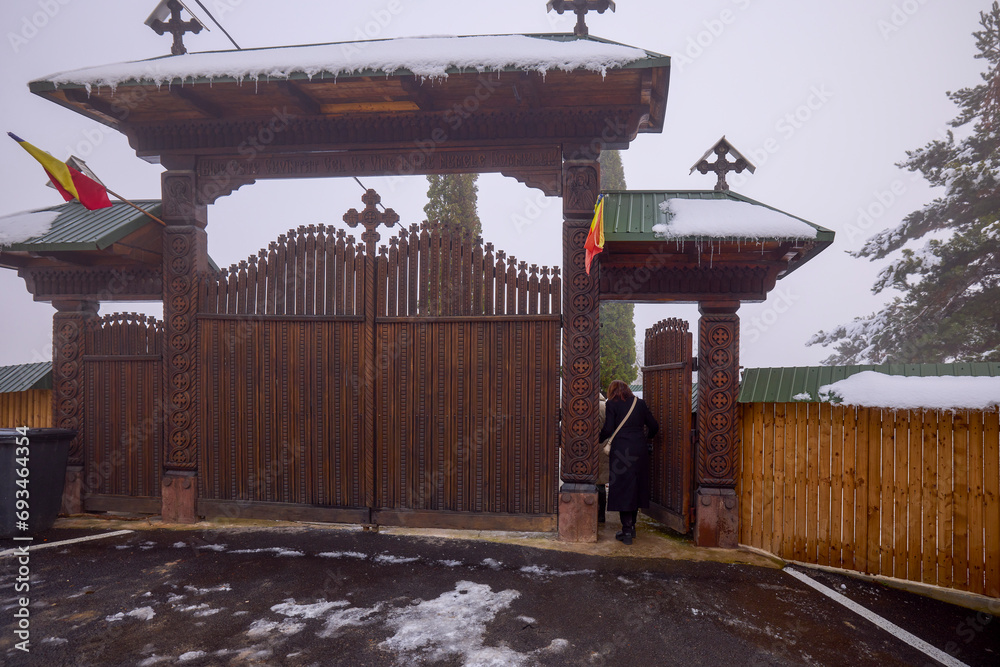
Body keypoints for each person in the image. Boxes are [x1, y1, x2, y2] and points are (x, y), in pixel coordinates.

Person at [599, 380, 658, 545]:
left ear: (612, 391)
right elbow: (654, 426)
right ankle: (632, 528)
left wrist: (598, 439)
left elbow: (609, 429)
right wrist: (645, 439)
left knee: (624, 488)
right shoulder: (640, 404)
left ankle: (626, 532)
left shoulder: (612, 404)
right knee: (636, 487)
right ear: (628, 390)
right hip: (639, 450)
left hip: (621, 451)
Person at [596, 393, 609, 523]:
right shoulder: (606, 406)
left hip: (593, 445)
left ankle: (592, 511)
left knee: (592, 481)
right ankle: (601, 515)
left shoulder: (591, 406)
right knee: (601, 482)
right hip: (605, 446)